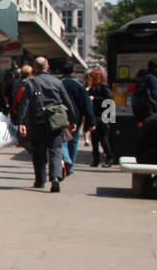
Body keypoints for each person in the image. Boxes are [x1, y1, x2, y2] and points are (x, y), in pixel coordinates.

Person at [16, 57, 77, 192]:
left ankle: (40, 180)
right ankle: (55, 177)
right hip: (55, 120)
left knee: (38, 151)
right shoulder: (57, 82)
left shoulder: (31, 83)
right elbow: (67, 101)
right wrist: (73, 120)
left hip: (37, 120)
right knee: (55, 149)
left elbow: (24, 104)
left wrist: (21, 122)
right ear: (47, 67)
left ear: (35, 68)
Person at [59, 70, 92, 176]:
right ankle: (71, 165)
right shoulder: (79, 86)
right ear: (73, 71)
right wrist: (91, 121)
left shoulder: (58, 83)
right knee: (73, 141)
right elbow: (86, 105)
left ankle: (65, 160)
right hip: (76, 118)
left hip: (60, 117)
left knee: (62, 141)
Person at [87, 68, 116, 167]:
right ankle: (96, 159)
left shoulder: (103, 87)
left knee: (103, 138)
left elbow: (108, 99)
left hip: (102, 116)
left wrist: (95, 99)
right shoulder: (93, 87)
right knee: (94, 139)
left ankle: (109, 156)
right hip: (95, 115)